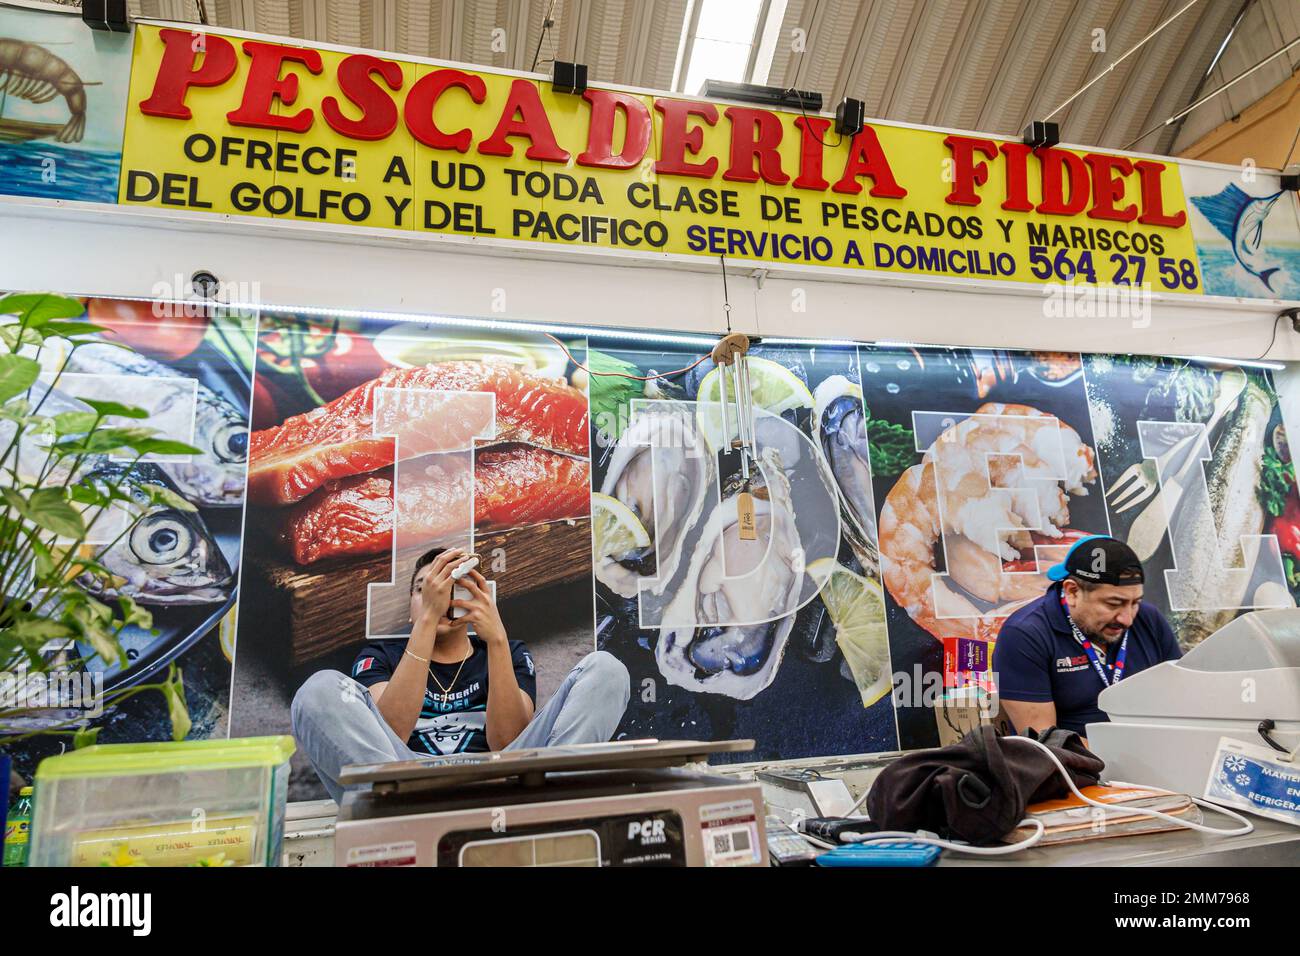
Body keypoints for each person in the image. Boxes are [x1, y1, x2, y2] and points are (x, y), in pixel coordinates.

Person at [292, 546, 631, 803]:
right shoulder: (380, 655)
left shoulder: (506, 651)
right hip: (405, 785)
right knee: (319, 689)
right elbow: (390, 730)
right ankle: (398, 822)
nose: (437, 598)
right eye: (422, 590)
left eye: (451, 589)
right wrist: (428, 620)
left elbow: (508, 740)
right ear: (410, 607)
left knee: (606, 670)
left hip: (502, 777)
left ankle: (550, 811)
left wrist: (496, 637)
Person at [992, 535, 1182, 739]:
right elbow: (1044, 742)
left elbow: (1182, 699)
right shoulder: (1024, 635)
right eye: (1113, 604)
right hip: (1075, 767)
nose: (1127, 619)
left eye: (1135, 602)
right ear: (1072, 592)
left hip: (1156, 750)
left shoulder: (1148, 619)